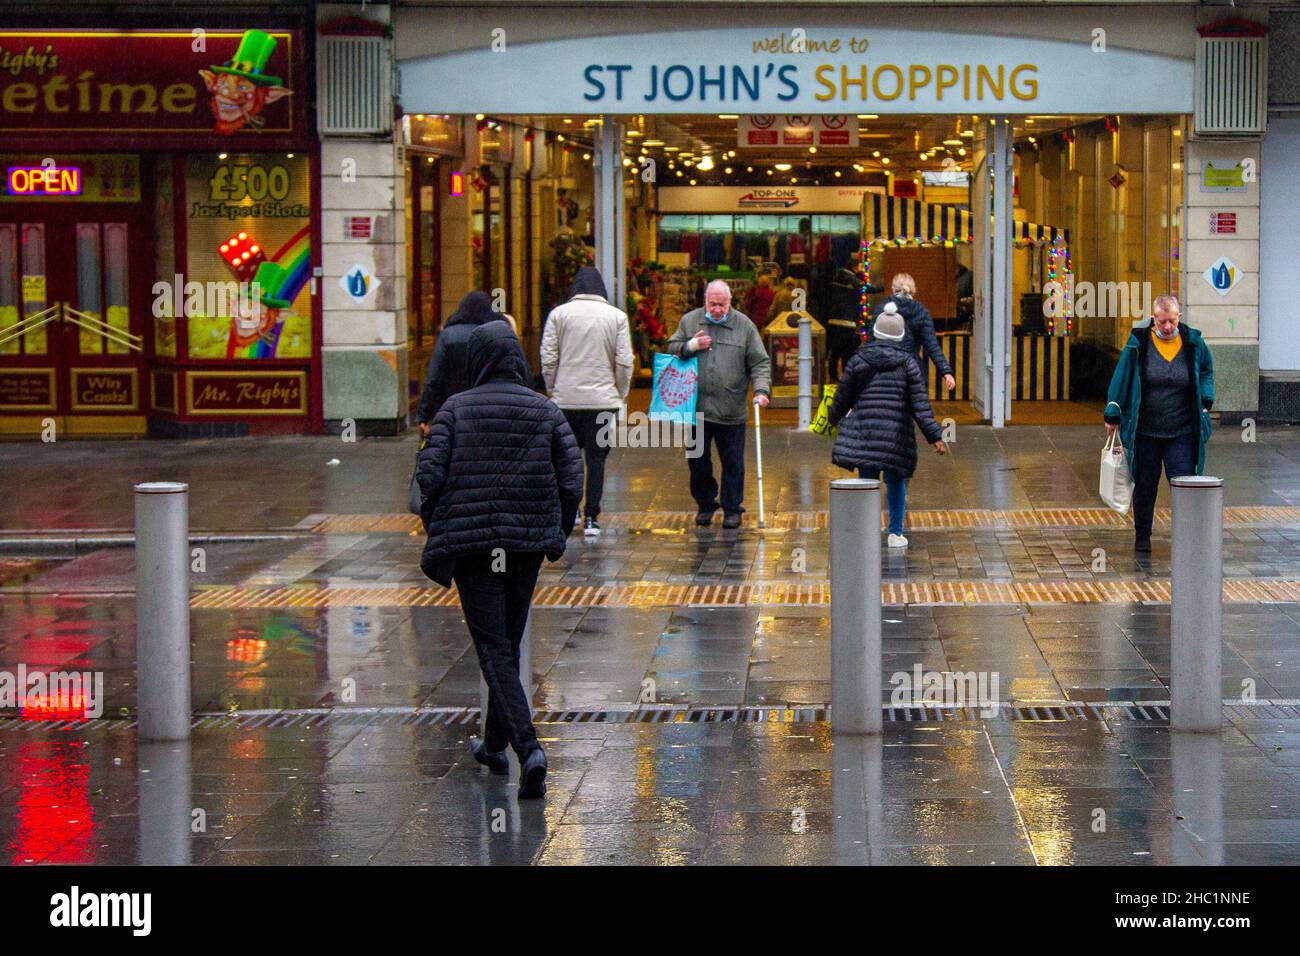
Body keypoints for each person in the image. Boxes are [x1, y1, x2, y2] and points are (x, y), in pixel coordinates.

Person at [416, 322, 583, 799]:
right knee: (505, 641)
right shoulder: (545, 411)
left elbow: (427, 476)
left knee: (493, 645)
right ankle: (493, 745)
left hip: (472, 545)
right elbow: (572, 477)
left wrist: (441, 525)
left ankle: (528, 748)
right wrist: (556, 531)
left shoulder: (453, 409)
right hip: (524, 544)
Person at [827, 305, 947, 548]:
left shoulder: (859, 359)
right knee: (896, 481)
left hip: (865, 430)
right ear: (901, 336)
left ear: (875, 333)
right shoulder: (908, 364)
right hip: (896, 433)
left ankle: (867, 530)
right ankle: (895, 533)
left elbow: (843, 396)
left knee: (867, 481)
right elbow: (920, 406)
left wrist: (833, 420)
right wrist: (935, 436)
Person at [1104, 294, 1214, 552]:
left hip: (1182, 431)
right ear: (1153, 319)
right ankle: (1142, 536)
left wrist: (1206, 399)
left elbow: (1207, 369)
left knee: (1184, 484)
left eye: (1172, 322)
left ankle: (1186, 537)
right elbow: (1122, 377)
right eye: (1162, 321)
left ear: (1179, 318)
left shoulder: (1193, 342)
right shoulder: (1138, 344)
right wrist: (1113, 411)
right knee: (1145, 485)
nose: (1167, 327)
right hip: (1146, 432)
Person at [666, 279, 771, 529]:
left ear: (730, 303)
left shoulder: (744, 326)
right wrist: (691, 345)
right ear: (705, 301)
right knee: (697, 461)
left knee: (733, 462)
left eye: (722, 305)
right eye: (713, 304)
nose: (717, 309)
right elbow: (671, 347)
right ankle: (705, 504)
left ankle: (732, 508)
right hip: (696, 408)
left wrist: (762, 390)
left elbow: (759, 362)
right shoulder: (690, 321)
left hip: (731, 408)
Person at [540, 266, 634, 537]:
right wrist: (619, 393)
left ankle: (568, 516)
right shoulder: (617, 317)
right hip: (602, 403)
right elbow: (624, 362)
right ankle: (592, 516)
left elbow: (549, 359)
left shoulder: (558, 315)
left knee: (566, 461)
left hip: (566, 403)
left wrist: (553, 389)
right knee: (597, 460)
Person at [414, 291, 508, 434]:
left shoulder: (448, 335)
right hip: (491, 409)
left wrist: (424, 415)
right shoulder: (498, 334)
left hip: (454, 410)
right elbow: (516, 370)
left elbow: (434, 379)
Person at [868, 273, 956, 397]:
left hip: (884, 368)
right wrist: (945, 371)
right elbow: (932, 346)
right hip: (912, 368)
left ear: (893, 289)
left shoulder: (881, 309)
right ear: (913, 291)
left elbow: (871, 342)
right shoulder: (922, 312)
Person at [827, 264, 882, 381]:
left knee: (836, 351)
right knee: (846, 350)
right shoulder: (847, 275)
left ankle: (834, 376)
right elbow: (863, 287)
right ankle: (844, 377)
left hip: (836, 320)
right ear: (855, 267)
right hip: (845, 322)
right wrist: (882, 287)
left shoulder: (840, 277)